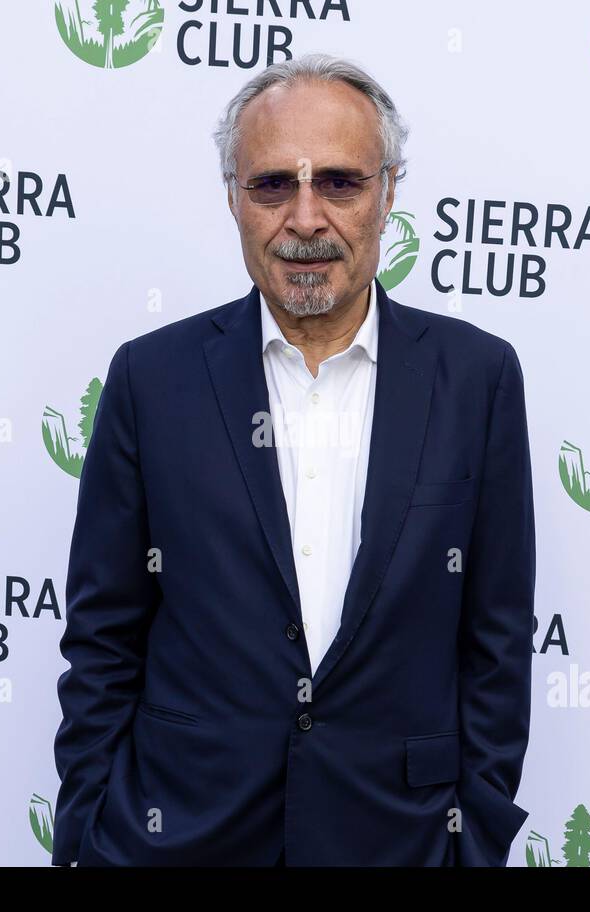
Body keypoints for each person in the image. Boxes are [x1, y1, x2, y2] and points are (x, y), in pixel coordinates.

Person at [52, 53, 535, 866]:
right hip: (179, 838)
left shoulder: (477, 378)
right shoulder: (152, 377)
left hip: (400, 841)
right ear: (233, 199)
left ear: (389, 193)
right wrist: (86, 835)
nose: (306, 219)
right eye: (273, 185)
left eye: (340, 184)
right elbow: (104, 636)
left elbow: (496, 643)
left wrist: (472, 841)